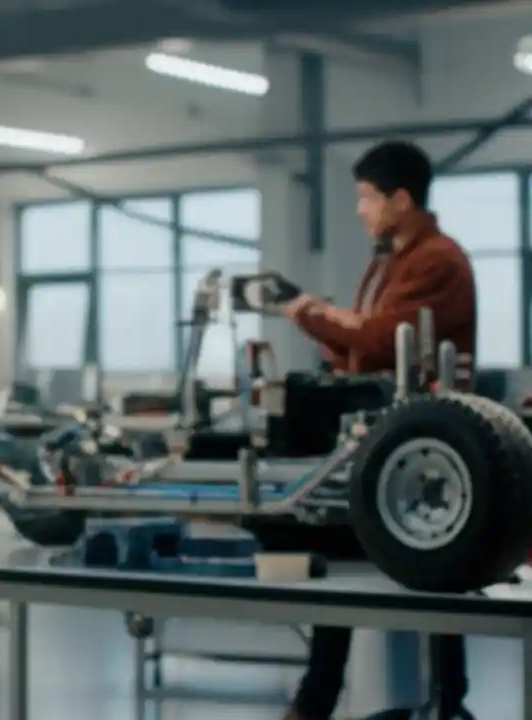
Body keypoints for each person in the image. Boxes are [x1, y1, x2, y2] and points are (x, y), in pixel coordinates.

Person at [280, 140, 475, 720]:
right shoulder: (391, 261)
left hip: (428, 445)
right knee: (345, 549)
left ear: (402, 199)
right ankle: (328, 699)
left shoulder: (438, 261)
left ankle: (442, 701)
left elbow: (380, 338)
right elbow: (363, 346)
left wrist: (303, 311)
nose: (361, 210)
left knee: (437, 567)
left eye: (367, 198)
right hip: (391, 435)